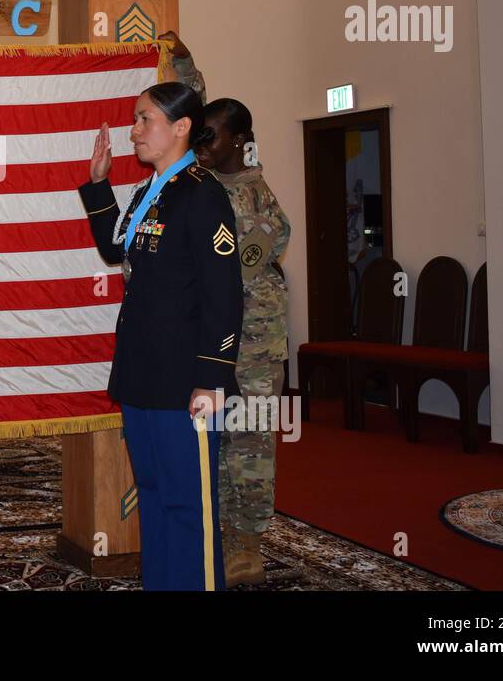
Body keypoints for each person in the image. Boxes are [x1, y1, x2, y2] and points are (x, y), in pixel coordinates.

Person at [79, 82, 243, 591]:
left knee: (188, 505)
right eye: (135, 119)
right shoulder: (152, 191)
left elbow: (224, 296)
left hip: (185, 382)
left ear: (181, 127)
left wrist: (212, 379)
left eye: (143, 119)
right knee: (152, 493)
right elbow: (115, 248)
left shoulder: (203, 194)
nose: (132, 131)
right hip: (143, 374)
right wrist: (99, 185)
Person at [163, 30, 292, 588]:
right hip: (213, 339)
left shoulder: (257, 198)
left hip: (256, 348)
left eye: (212, 137)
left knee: (250, 443)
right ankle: (214, 529)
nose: (200, 143)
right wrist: (185, 65)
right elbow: (195, 113)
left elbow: (228, 266)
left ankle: (247, 541)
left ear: (240, 142)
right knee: (208, 439)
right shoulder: (204, 181)